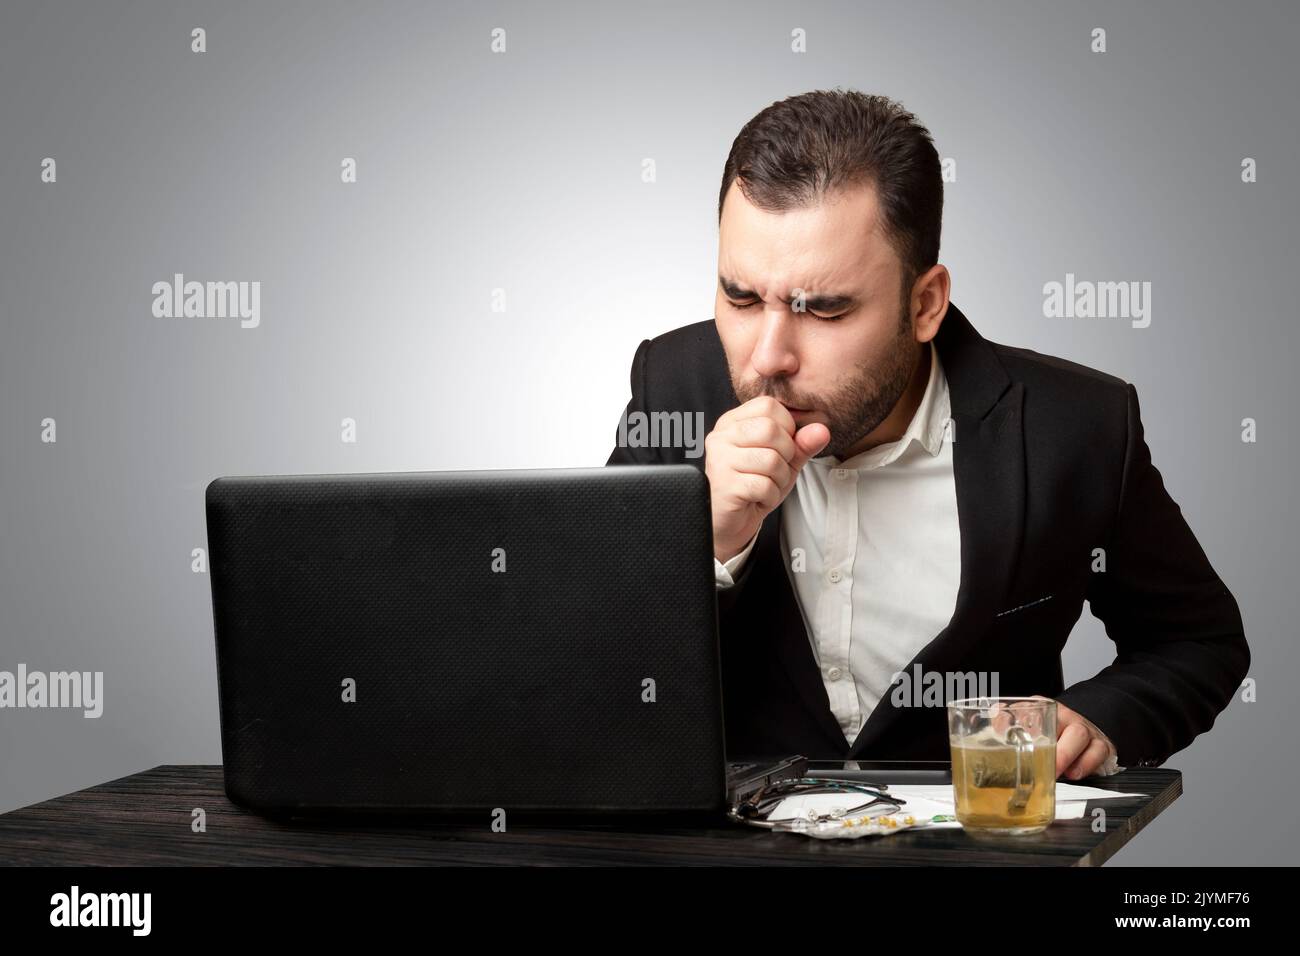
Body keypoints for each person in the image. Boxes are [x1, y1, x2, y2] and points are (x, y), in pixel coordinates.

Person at [606, 89, 1249, 778]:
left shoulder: (1076, 428)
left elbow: (1198, 641)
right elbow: (587, 669)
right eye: (740, 298)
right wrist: (705, 545)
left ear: (925, 303)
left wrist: (1097, 720)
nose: (768, 357)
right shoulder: (673, 391)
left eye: (822, 311)